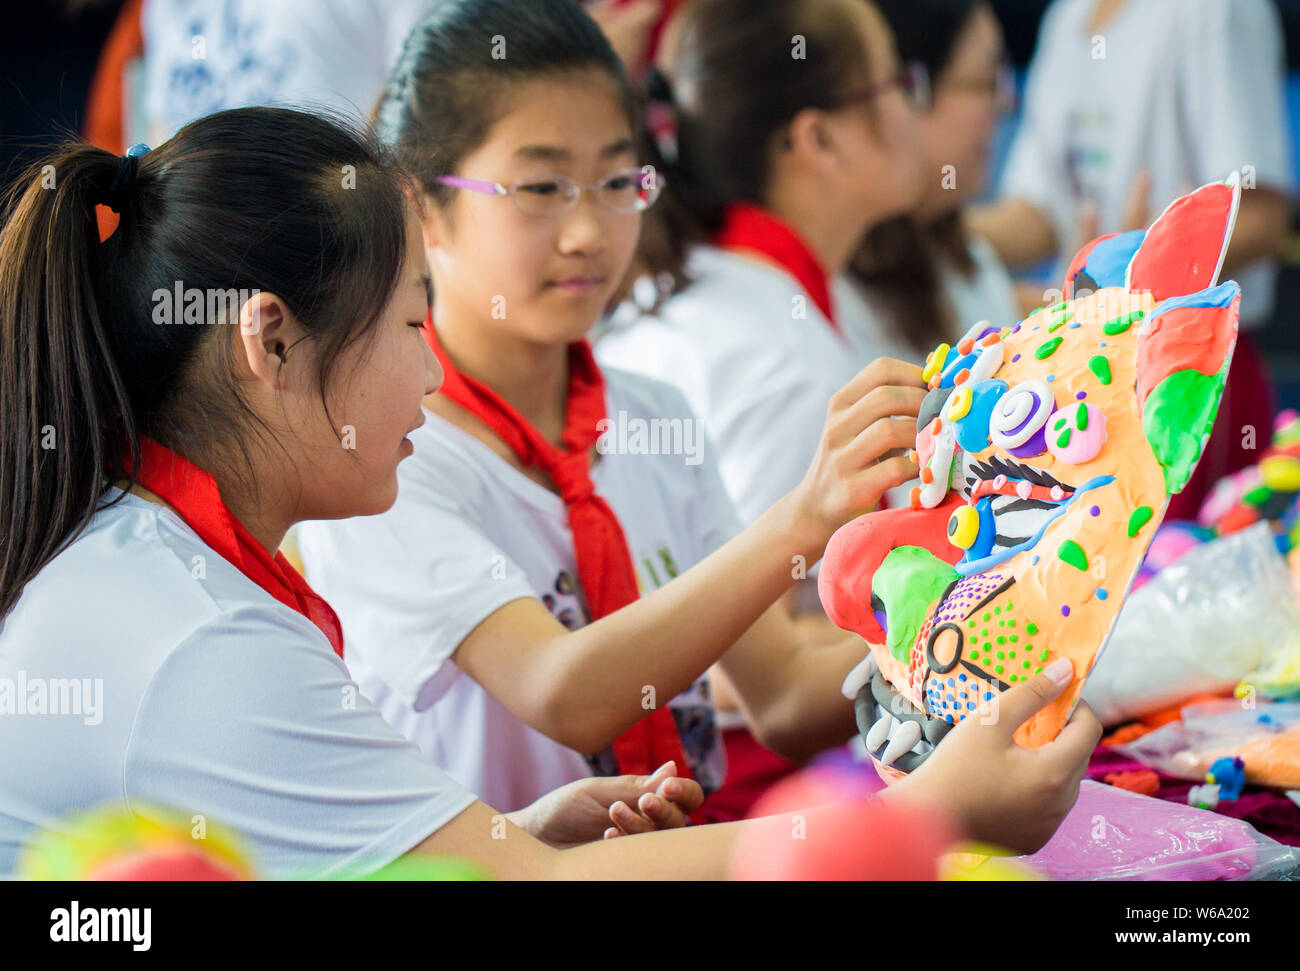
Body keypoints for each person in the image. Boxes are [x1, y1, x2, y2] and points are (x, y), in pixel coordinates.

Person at [0, 102, 1099, 878]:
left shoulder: (154, 558)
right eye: (407, 323)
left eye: (618, 179)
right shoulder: (203, 637)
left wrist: (494, 829)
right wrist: (937, 808)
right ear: (270, 343)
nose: (429, 373)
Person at [966, 0, 1292, 518]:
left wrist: (1140, 270)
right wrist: (926, 232)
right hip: (1084, 364)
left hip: (1188, 369)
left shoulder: (1215, 12)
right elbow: (1040, 211)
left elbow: (1263, 212)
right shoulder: (1067, 19)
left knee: (1172, 576)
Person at [843, 0, 1019, 360]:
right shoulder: (841, 299)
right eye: (986, 81)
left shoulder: (962, 254)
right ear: (908, 91)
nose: (1006, 102)